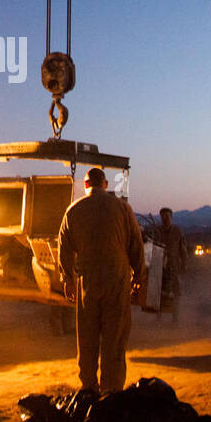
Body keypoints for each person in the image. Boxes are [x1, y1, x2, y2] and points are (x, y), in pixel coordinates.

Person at [57, 167, 145, 392]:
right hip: (116, 279)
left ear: (85, 185)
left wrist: (67, 279)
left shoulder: (73, 211)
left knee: (87, 337)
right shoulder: (123, 208)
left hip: (88, 282)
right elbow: (136, 244)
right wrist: (139, 276)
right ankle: (112, 390)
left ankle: (88, 387)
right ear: (105, 184)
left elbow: (64, 249)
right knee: (114, 338)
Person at [156, 207, 191, 321]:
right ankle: (159, 318)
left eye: (167, 216)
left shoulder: (177, 232)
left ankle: (175, 318)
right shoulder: (157, 231)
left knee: (176, 292)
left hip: (174, 266)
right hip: (159, 266)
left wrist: (184, 264)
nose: (165, 219)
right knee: (159, 292)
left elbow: (183, 250)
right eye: (163, 217)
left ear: (171, 217)